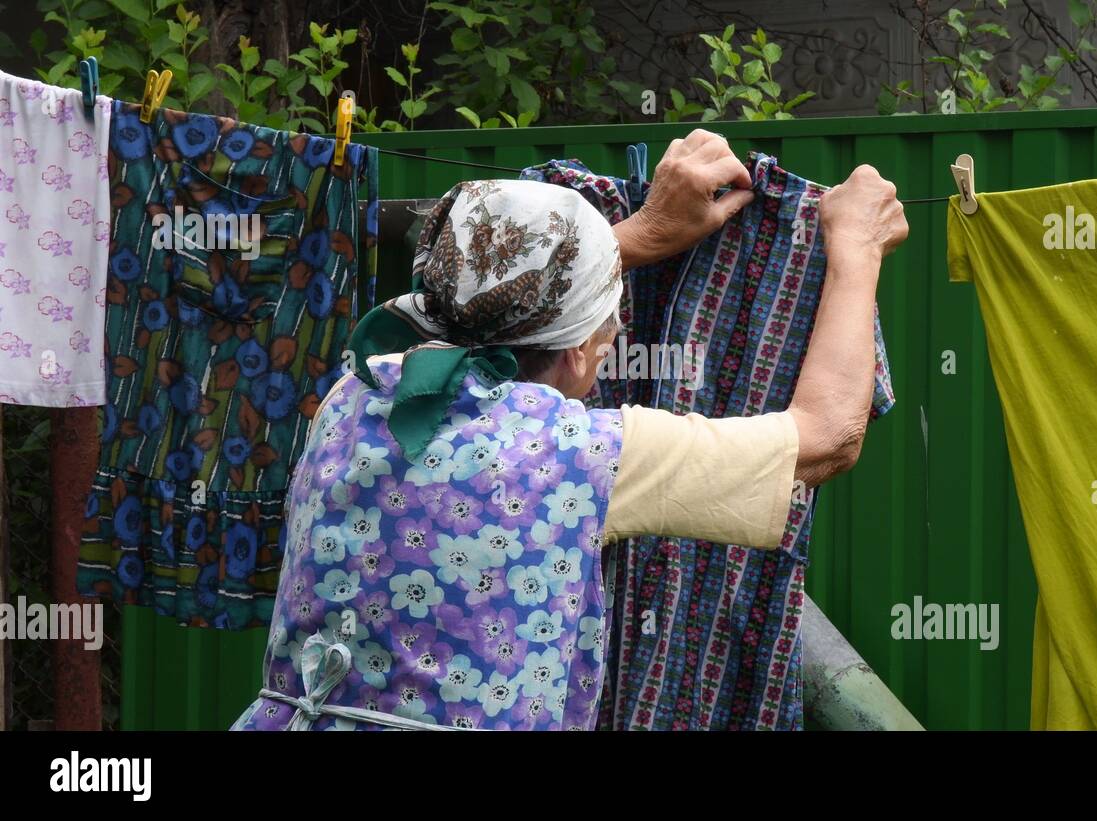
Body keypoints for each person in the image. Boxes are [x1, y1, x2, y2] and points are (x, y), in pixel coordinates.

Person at [232, 129, 908, 730]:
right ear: (584, 351)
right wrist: (856, 248)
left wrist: (639, 233)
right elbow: (826, 437)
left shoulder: (362, 388)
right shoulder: (581, 452)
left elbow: (463, 304)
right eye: (610, 323)